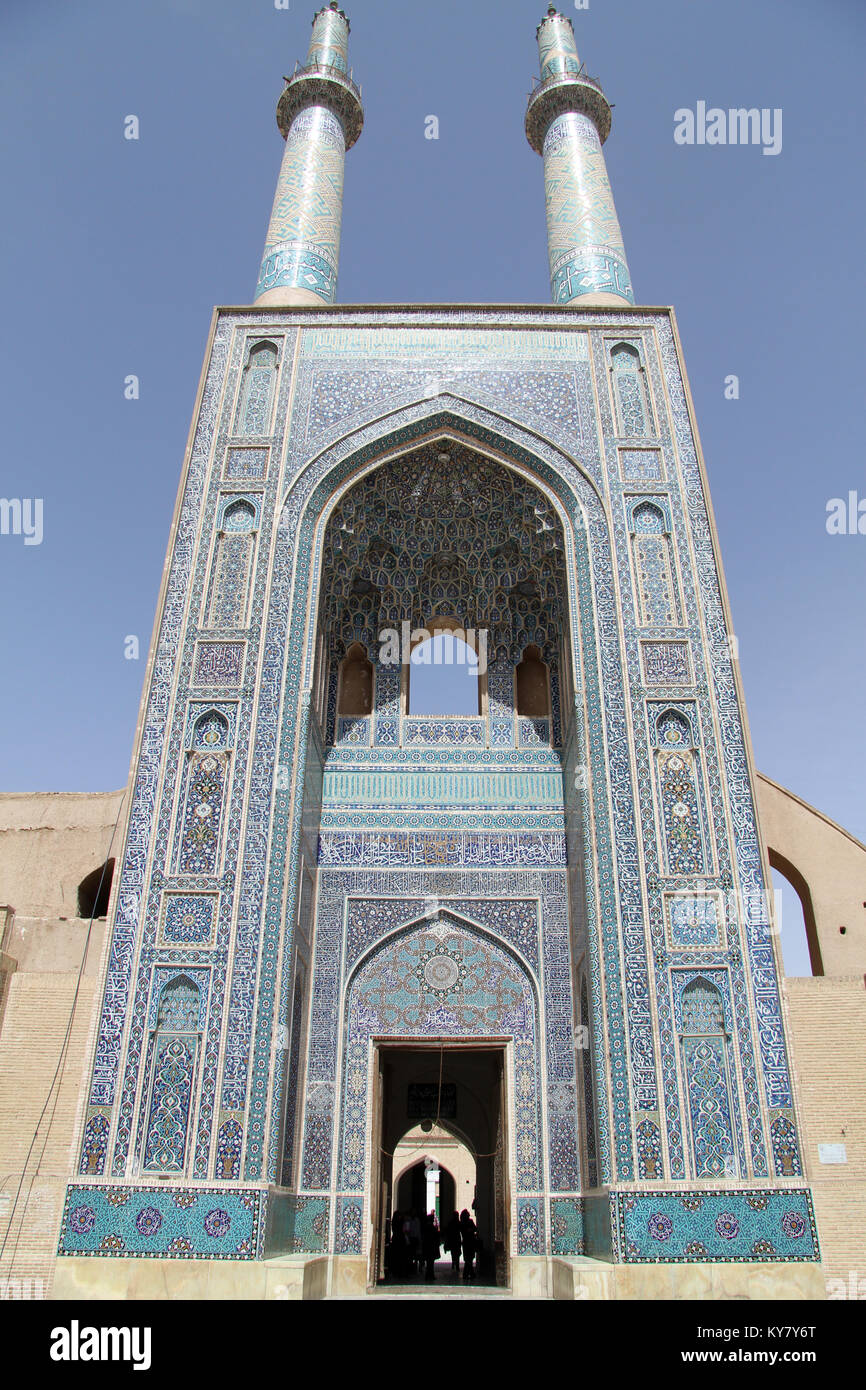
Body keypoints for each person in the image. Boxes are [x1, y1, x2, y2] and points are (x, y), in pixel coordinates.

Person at [422, 1211, 441, 1281]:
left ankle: (428, 1275)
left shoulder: (426, 1228)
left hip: (427, 1247)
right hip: (431, 1247)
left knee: (428, 1262)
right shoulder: (432, 1228)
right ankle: (430, 1275)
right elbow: (436, 1236)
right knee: (431, 1262)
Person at [459, 1209, 477, 1280]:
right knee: (468, 1259)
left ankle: (469, 1273)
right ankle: (467, 1274)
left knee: (469, 1259)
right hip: (468, 1242)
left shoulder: (468, 1222)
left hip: (468, 1242)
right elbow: (474, 1229)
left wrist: (470, 1230)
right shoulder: (465, 1223)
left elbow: (475, 1229)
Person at [443, 1211, 462, 1278]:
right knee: (457, 1252)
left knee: (454, 1252)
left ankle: (454, 1263)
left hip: (453, 1240)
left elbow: (447, 1231)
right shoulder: (458, 1222)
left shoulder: (450, 1222)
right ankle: (456, 1264)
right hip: (456, 1239)